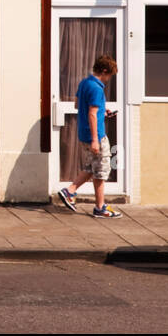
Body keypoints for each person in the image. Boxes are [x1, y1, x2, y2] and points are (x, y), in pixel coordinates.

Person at [59, 56, 123, 219]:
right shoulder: (96, 88)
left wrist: (104, 110)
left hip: (84, 134)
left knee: (90, 167)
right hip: (96, 135)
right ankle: (100, 207)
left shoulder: (84, 83)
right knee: (101, 170)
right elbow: (92, 113)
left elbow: (77, 105)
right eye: (110, 75)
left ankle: (70, 191)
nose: (109, 79)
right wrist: (96, 139)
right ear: (104, 72)